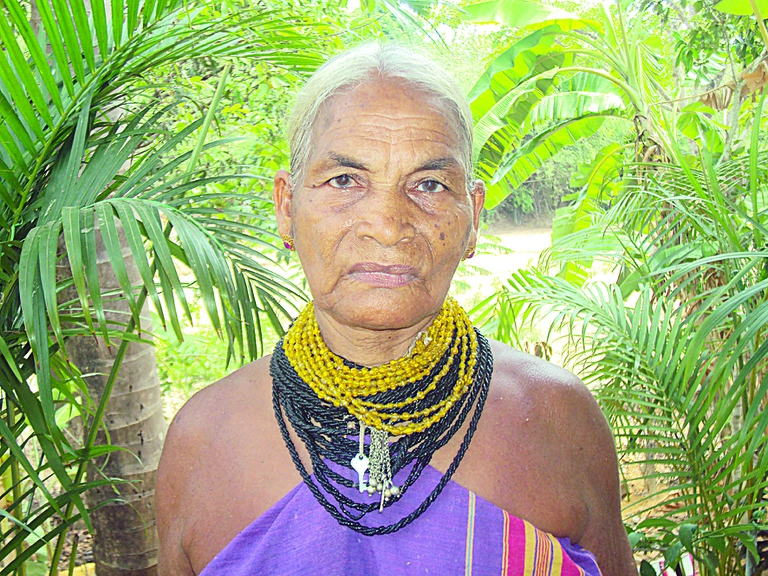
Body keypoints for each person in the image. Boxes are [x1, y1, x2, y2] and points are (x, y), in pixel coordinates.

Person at [156, 43, 637, 575]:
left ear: (472, 216)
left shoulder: (557, 420)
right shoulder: (202, 443)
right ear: (286, 207)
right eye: (345, 181)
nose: (387, 226)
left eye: (428, 185)